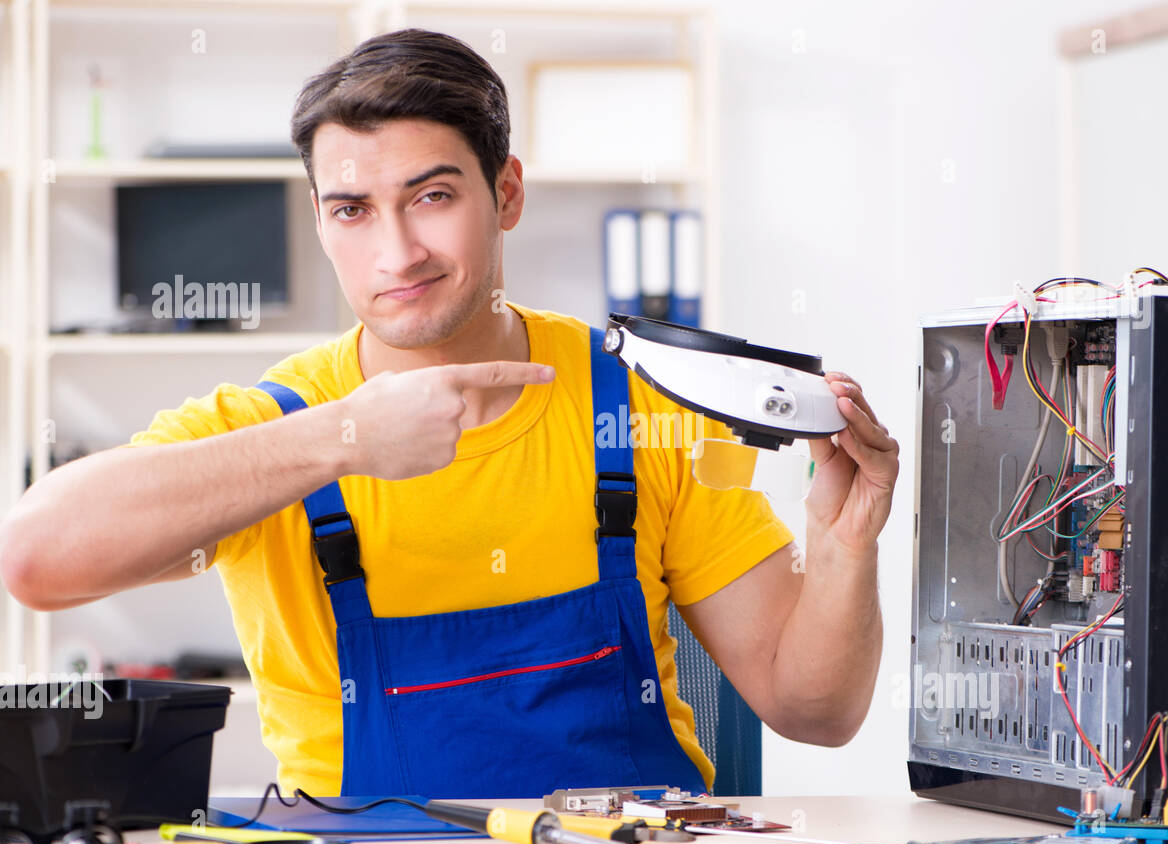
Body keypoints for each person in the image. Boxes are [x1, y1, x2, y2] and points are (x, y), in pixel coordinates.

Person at [0, 29, 899, 798]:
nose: (397, 252)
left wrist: (843, 542)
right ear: (319, 219)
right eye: (353, 210)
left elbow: (814, 711)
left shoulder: (639, 402)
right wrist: (341, 437)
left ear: (505, 191)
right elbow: (34, 558)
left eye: (432, 196)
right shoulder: (277, 420)